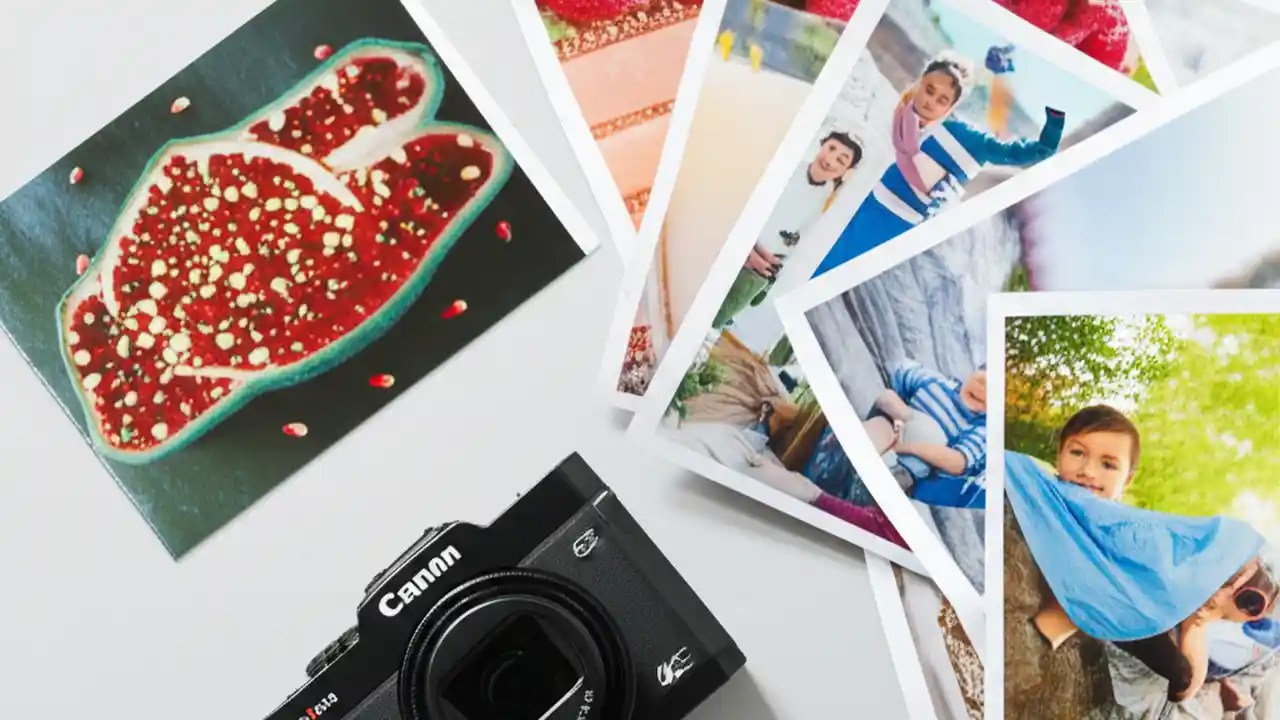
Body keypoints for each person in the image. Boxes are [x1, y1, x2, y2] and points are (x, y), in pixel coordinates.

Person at [1007, 405, 1275, 706]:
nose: (1088, 471)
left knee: (1180, 669)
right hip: (1100, 598)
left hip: (1121, 599)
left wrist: (1196, 624)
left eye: (1108, 465)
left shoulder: (1126, 522)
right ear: (1059, 455)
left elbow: (1157, 543)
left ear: (1127, 478)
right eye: (1077, 453)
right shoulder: (1046, 488)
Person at [812, 51, 1066, 277]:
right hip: (861, 204)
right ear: (920, 84)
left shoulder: (965, 138)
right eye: (929, 90)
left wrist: (1054, 123)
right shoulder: (900, 115)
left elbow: (1032, 153)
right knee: (811, 263)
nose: (930, 102)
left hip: (894, 225)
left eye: (942, 100)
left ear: (952, 106)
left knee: (827, 275)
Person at [710, 131, 862, 330]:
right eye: (831, 149)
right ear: (822, 144)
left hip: (765, 262)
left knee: (734, 305)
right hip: (737, 243)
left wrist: (776, 264)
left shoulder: (827, 199)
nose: (830, 160)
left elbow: (802, 239)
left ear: (846, 171)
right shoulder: (789, 169)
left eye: (841, 161)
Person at [863, 361, 987, 509]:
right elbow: (902, 371)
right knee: (879, 422)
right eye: (980, 381)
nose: (981, 391)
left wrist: (906, 448)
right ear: (971, 375)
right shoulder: (937, 383)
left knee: (884, 488)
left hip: (908, 467)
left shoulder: (979, 428)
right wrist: (900, 410)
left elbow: (958, 462)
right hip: (892, 427)